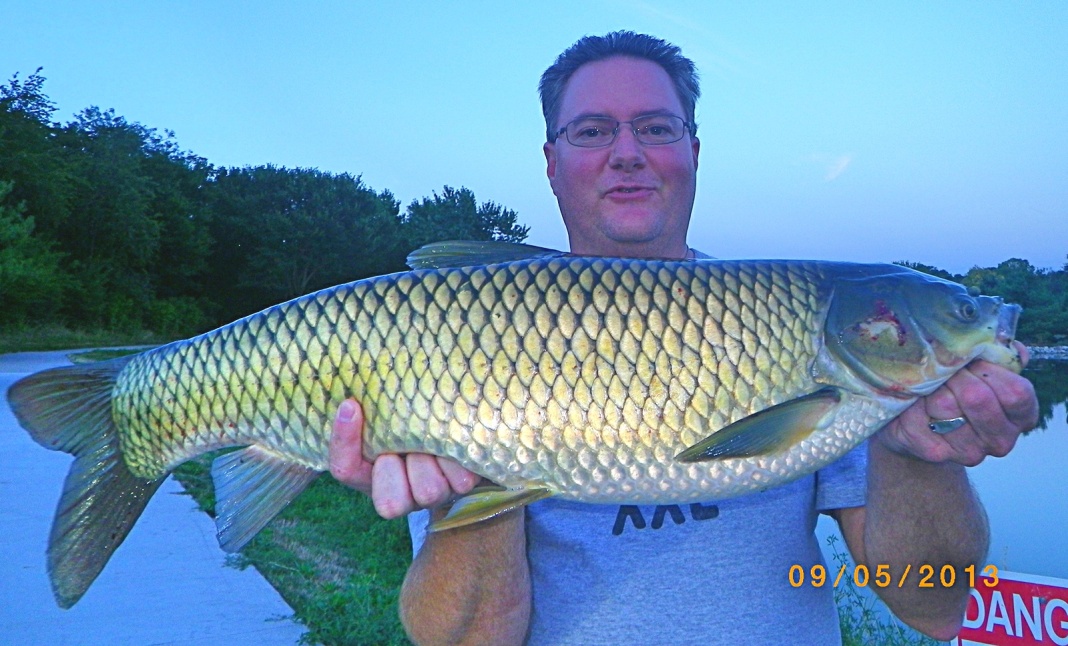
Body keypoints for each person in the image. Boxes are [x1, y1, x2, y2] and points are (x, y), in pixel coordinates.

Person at [329, 31, 1039, 644]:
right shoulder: (462, 327)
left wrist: (919, 453)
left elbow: (936, 606)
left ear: (693, 151)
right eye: (593, 130)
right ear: (551, 162)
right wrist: (470, 480)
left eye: (657, 128)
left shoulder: (803, 333)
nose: (628, 152)